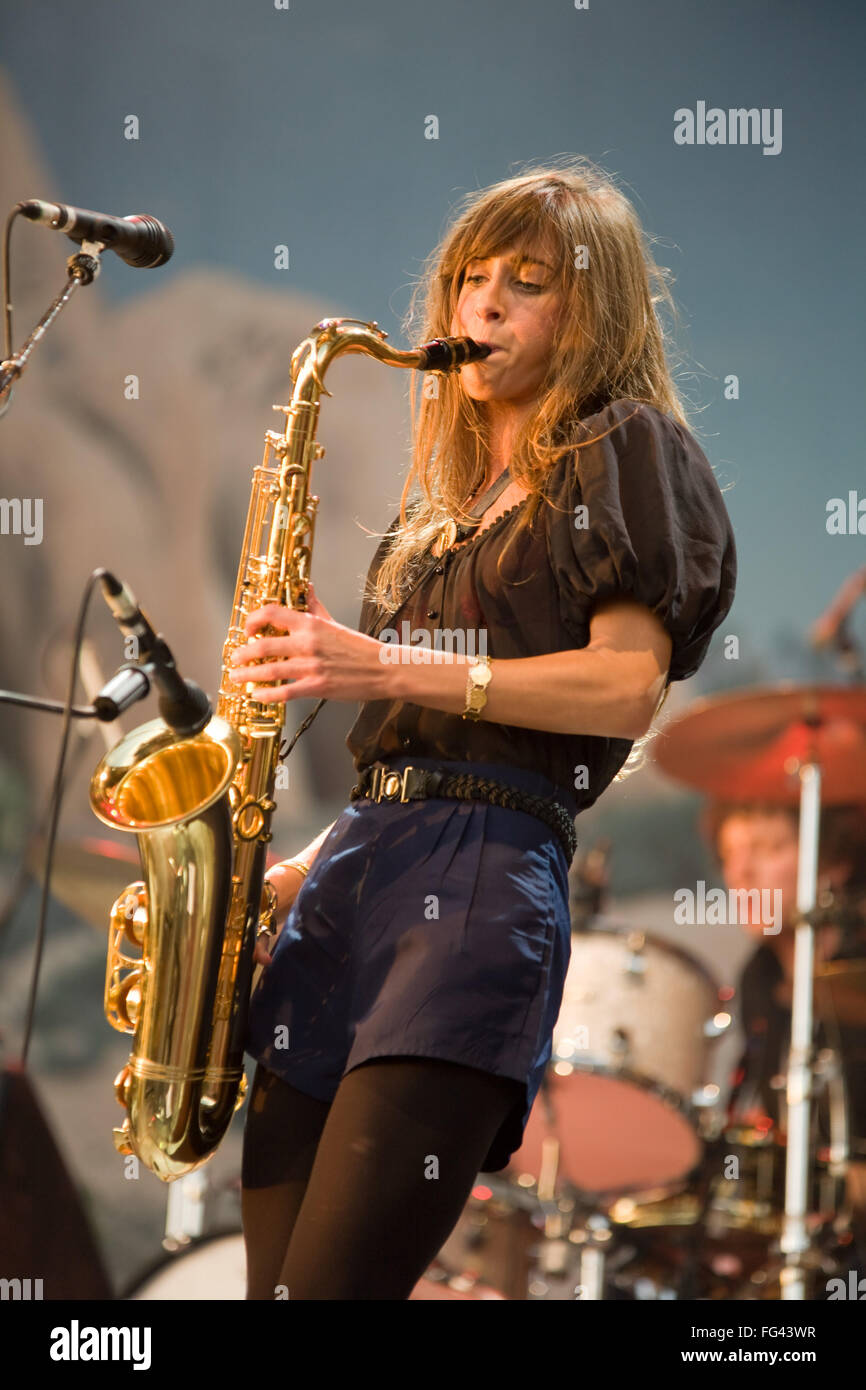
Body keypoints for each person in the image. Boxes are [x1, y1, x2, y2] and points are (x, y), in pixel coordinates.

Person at [229, 158, 737, 1300]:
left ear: (590, 310)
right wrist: (285, 876)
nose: (483, 305)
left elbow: (620, 689)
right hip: (361, 874)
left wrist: (382, 661)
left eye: (526, 280)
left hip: (476, 892)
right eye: (468, 279)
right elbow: (410, 761)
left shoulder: (624, 447)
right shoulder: (433, 521)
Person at [704, 799, 866, 1261]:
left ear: (834, 862)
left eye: (767, 847)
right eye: (729, 854)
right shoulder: (757, 979)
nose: (742, 873)